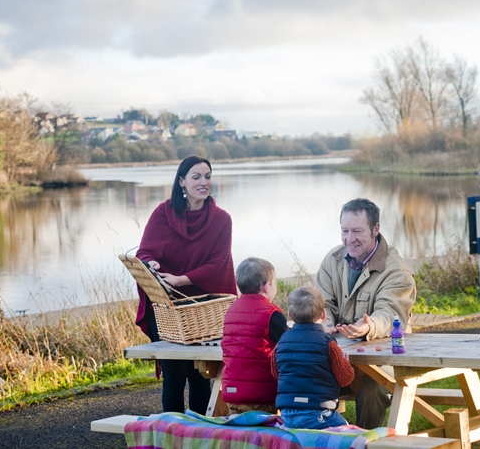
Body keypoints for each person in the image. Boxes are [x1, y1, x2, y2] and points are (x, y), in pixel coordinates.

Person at [135, 155, 238, 413]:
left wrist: (181, 279)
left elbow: (218, 263)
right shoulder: (162, 213)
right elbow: (144, 252)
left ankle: (198, 433)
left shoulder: (222, 220)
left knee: (200, 377)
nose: (204, 182)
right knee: (173, 378)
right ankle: (173, 432)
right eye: (196, 177)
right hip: (167, 308)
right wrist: (152, 264)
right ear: (181, 181)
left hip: (203, 309)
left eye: (208, 176)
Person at [315, 198, 416, 429]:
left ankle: (365, 441)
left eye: (357, 231)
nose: (349, 239)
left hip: (387, 359)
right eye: (345, 231)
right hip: (339, 356)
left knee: (372, 387)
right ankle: (319, 439)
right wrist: (325, 322)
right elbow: (322, 304)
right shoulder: (332, 259)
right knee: (303, 374)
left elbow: (390, 314)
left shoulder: (397, 271)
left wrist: (368, 327)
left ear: (375, 229)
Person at [272, 286, 354, 430]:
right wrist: (346, 363)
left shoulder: (281, 342)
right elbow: (345, 379)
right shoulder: (328, 343)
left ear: (290, 314)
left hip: (287, 415)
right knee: (348, 431)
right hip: (319, 413)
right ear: (323, 314)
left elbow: (276, 373)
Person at [220, 257, 289, 415]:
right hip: (261, 396)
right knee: (262, 431)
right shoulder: (270, 314)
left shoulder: (231, 310)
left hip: (232, 394)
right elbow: (291, 343)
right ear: (266, 287)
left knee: (239, 429)